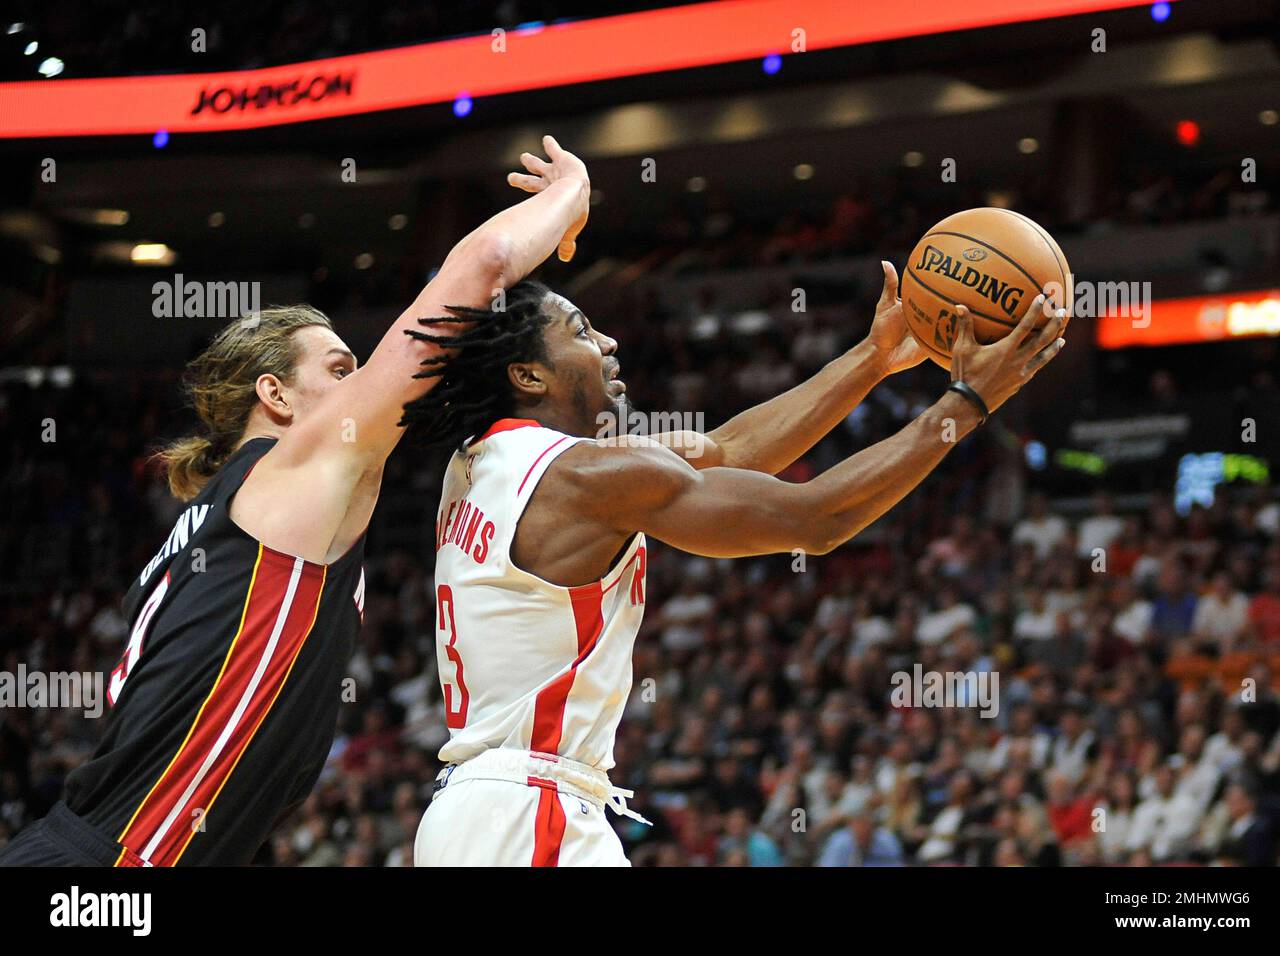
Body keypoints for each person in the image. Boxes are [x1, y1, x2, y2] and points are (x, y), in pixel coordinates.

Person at [407, 172, 1069, 865]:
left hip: (476, 810)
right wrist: (964, 403)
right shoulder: (586, 479)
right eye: (579, 331)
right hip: (527, 813)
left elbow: (728, 449)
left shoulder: (485, 462)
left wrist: (874, 358)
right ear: (528, 375)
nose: (607, 343)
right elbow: (818, 519)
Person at [0, 136, 591, 867]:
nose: (366, 384)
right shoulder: (293, 469)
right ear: (275, 396)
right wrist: (571, 192)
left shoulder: (224, 520)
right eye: (343, 368)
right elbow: (481, 268)